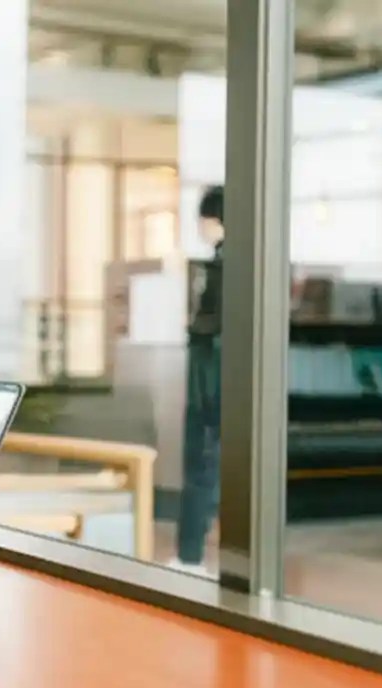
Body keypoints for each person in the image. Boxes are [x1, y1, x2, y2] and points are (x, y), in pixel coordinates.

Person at [171, 186, 224, 576]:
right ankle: (192, 555)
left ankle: (190, 557)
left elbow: (205, 329)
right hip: (223, 385)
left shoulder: (221, 270)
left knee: (201, 465)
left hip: (209, 386)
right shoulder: (247, 264)